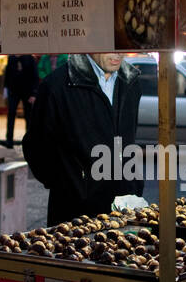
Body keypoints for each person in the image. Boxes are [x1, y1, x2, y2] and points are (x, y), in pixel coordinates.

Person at [23, 52, 144, 225]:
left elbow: (127, 138)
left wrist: (132, 184)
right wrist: (71, 185)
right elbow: (36, 148)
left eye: (122, 46)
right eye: (110, 45)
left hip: (124, 207)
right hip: (75, 214)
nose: (118, 53)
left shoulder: (131, 81)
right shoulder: (56, 85)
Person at [3, 53, 38, 148]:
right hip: (13, 91)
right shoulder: (11, 57)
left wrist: (34, 93)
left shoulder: (29, 58)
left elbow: (35, 75)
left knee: (28, 117)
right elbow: (7, 74)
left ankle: (29, 141)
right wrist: (6, 89)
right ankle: (9, 140)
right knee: (11, 114)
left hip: (27, 91)